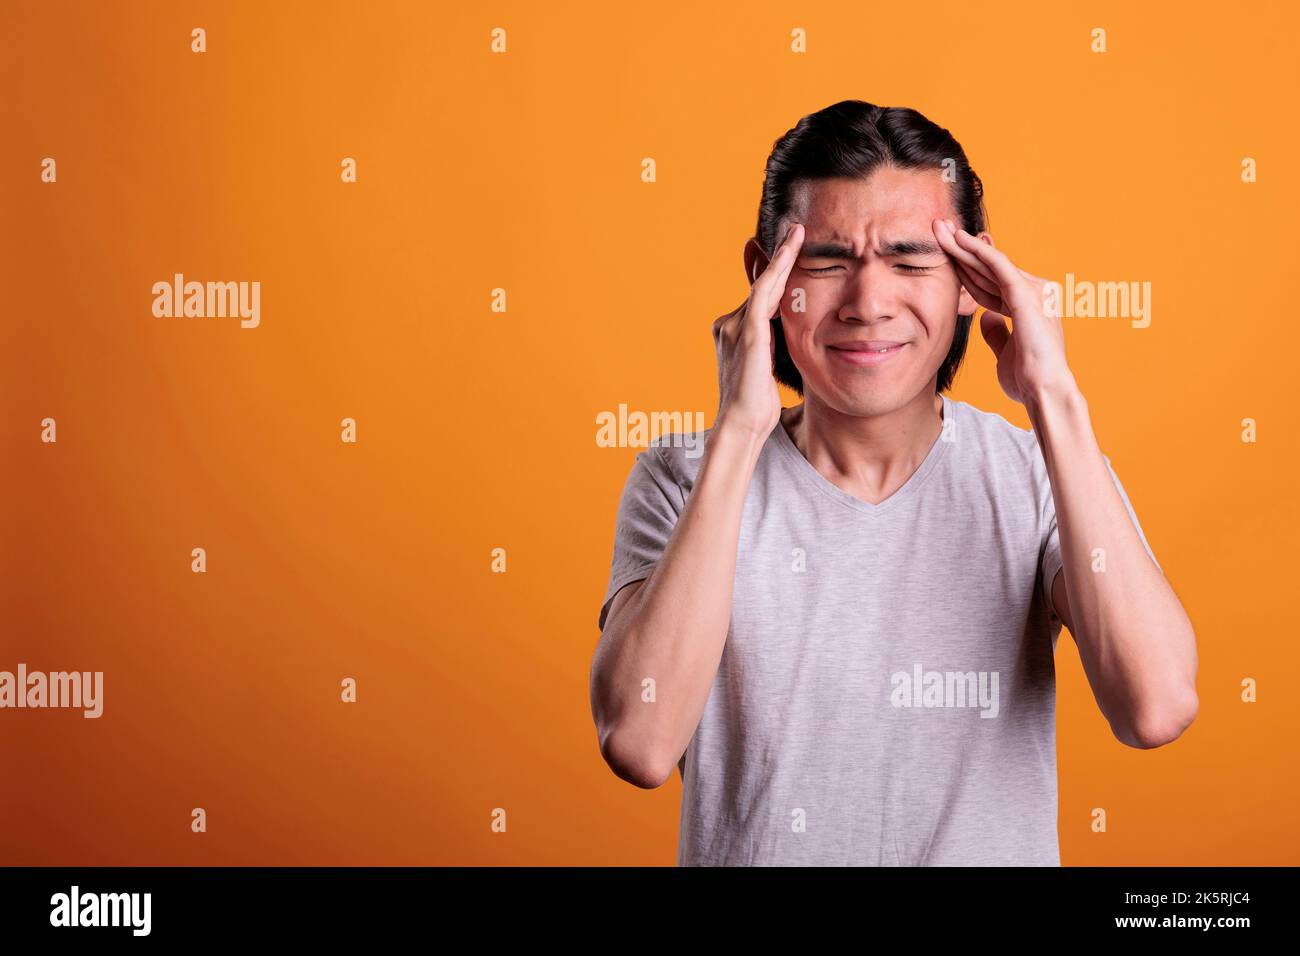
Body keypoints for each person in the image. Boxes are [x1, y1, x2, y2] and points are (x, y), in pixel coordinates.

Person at [589, 100, 1198, 866]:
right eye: (828, 261)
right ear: (764, 276)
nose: (870, 304)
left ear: (973, 280)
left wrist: (1056, 400)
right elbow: (639, 742)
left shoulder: (1044, 477)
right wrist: (739, 433)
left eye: (911, 263)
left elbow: (1157, 705)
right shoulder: (682, 478)